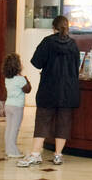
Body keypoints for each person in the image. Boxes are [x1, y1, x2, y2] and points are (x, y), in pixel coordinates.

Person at [18, 14, 81, 167]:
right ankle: (58, 155)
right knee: (64, 122)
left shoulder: (47, 42)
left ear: (53, 28)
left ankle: (35, 154)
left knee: (43, 121)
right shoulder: (73, 45)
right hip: (68, 91)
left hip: (49, 88)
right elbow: (76, 66)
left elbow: (36, 62)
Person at [2, 53, 31, 159]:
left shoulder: (7, 78)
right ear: (18, 65)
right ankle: (13, 151)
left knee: (9, 128)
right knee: (15, 129)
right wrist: (26, 80)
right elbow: (27, 90)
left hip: (8, 105)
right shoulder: (20, 79)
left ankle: (8, 149)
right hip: (17, 107)